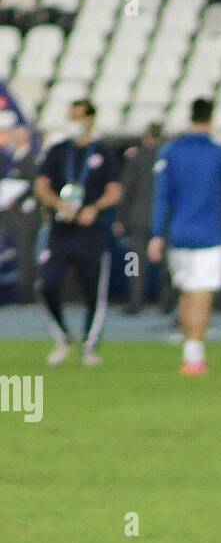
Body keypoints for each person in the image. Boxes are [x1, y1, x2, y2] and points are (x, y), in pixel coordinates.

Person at [148, 98, 221, 376]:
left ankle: (189, 351)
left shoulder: (171, 151)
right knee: (202, 294)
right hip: (209, 235)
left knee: (186, 292)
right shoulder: (220, 153)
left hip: (178, 234)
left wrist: (157, 234)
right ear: (211, 119)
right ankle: (194, 356)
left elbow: (161, 196)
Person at [35, 99, 122, 367]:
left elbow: (115, 190)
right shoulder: (58, 150)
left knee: (93, 290)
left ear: (90, 119)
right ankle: (62, 335)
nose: (73, 122)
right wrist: (58, 204)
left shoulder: (104, 152)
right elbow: (41, 184)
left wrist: (94, 208)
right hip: (61, 230)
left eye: (78, 117)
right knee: (47, 284)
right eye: (70, 117)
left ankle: (90, 345)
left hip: (91, 233)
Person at [116, 122, 168, 314]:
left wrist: (121, 217)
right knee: (164, 262)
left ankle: (134, 301)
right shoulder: (166, 157)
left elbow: (126, 188)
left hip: (137, 217)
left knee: (135, 262)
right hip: (162, 218)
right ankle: (166, 302)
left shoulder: (136, 157)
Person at [0, 125, 40, 302]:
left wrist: (15, 200)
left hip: (25, 217)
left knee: (25, 256)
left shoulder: (30, 159)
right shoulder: (13, 159)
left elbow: (35, 185)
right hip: (11, 215)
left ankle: (27, 296)